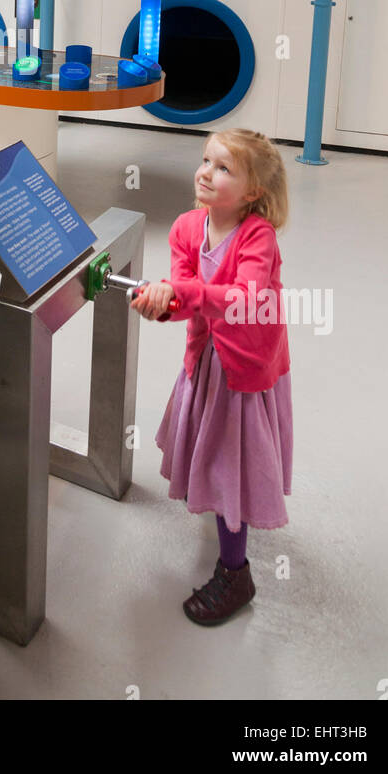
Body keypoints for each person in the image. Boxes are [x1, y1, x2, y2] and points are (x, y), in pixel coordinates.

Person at [134, 129, 292, 626]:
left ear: (252, 193)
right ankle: (226, 513)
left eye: (224, 168)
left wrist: (182, 293)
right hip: (208, 362)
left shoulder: (256, 237)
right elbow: (185, 298)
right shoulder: (185, 228)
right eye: (206, 160)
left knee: (232, 463)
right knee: (217, 452)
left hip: (243, 370)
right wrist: (160, 305)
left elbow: (244, 299)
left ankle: (236, 573)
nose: (206, 172)